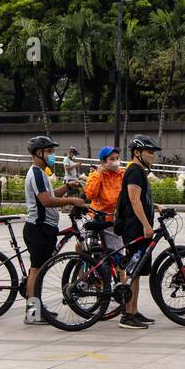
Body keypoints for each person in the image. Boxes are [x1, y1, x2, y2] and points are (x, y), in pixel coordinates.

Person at [23, 135, 88, 324]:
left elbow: (51, 194)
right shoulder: (35, 173)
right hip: (38, 228)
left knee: (39, 268)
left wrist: (67, 187)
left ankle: (38, 309)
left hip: (45, 227)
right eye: (49, 151)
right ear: (38, 153)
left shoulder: (42, 172)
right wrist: (71, 200)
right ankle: (33, 314)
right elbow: (46, 201)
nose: (52, 155)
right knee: (36, 270)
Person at [84, 144, 146, 329]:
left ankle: (126, 301)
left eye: (117, 157)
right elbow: (90, 193)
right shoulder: (97, 175)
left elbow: (130, 195)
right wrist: (98, 174)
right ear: (103, 162)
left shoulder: (122, 174)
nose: (115, 161)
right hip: (96, 217)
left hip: (113, 221)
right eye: (111, 159)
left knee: (121, 261)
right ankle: (84, 276)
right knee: (83, 247)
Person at [116, 135, 162, 329]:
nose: (153, 155)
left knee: (137, 271)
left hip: (138, 228)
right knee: (133, 270)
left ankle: (133, 311)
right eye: (149, 151)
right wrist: (146, 224)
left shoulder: (138, 171)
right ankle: (127, 315)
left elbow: (139, 198)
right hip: (135, 229)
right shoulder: (135, 171)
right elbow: (134, 200)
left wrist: (155, 205)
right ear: (137, 152)